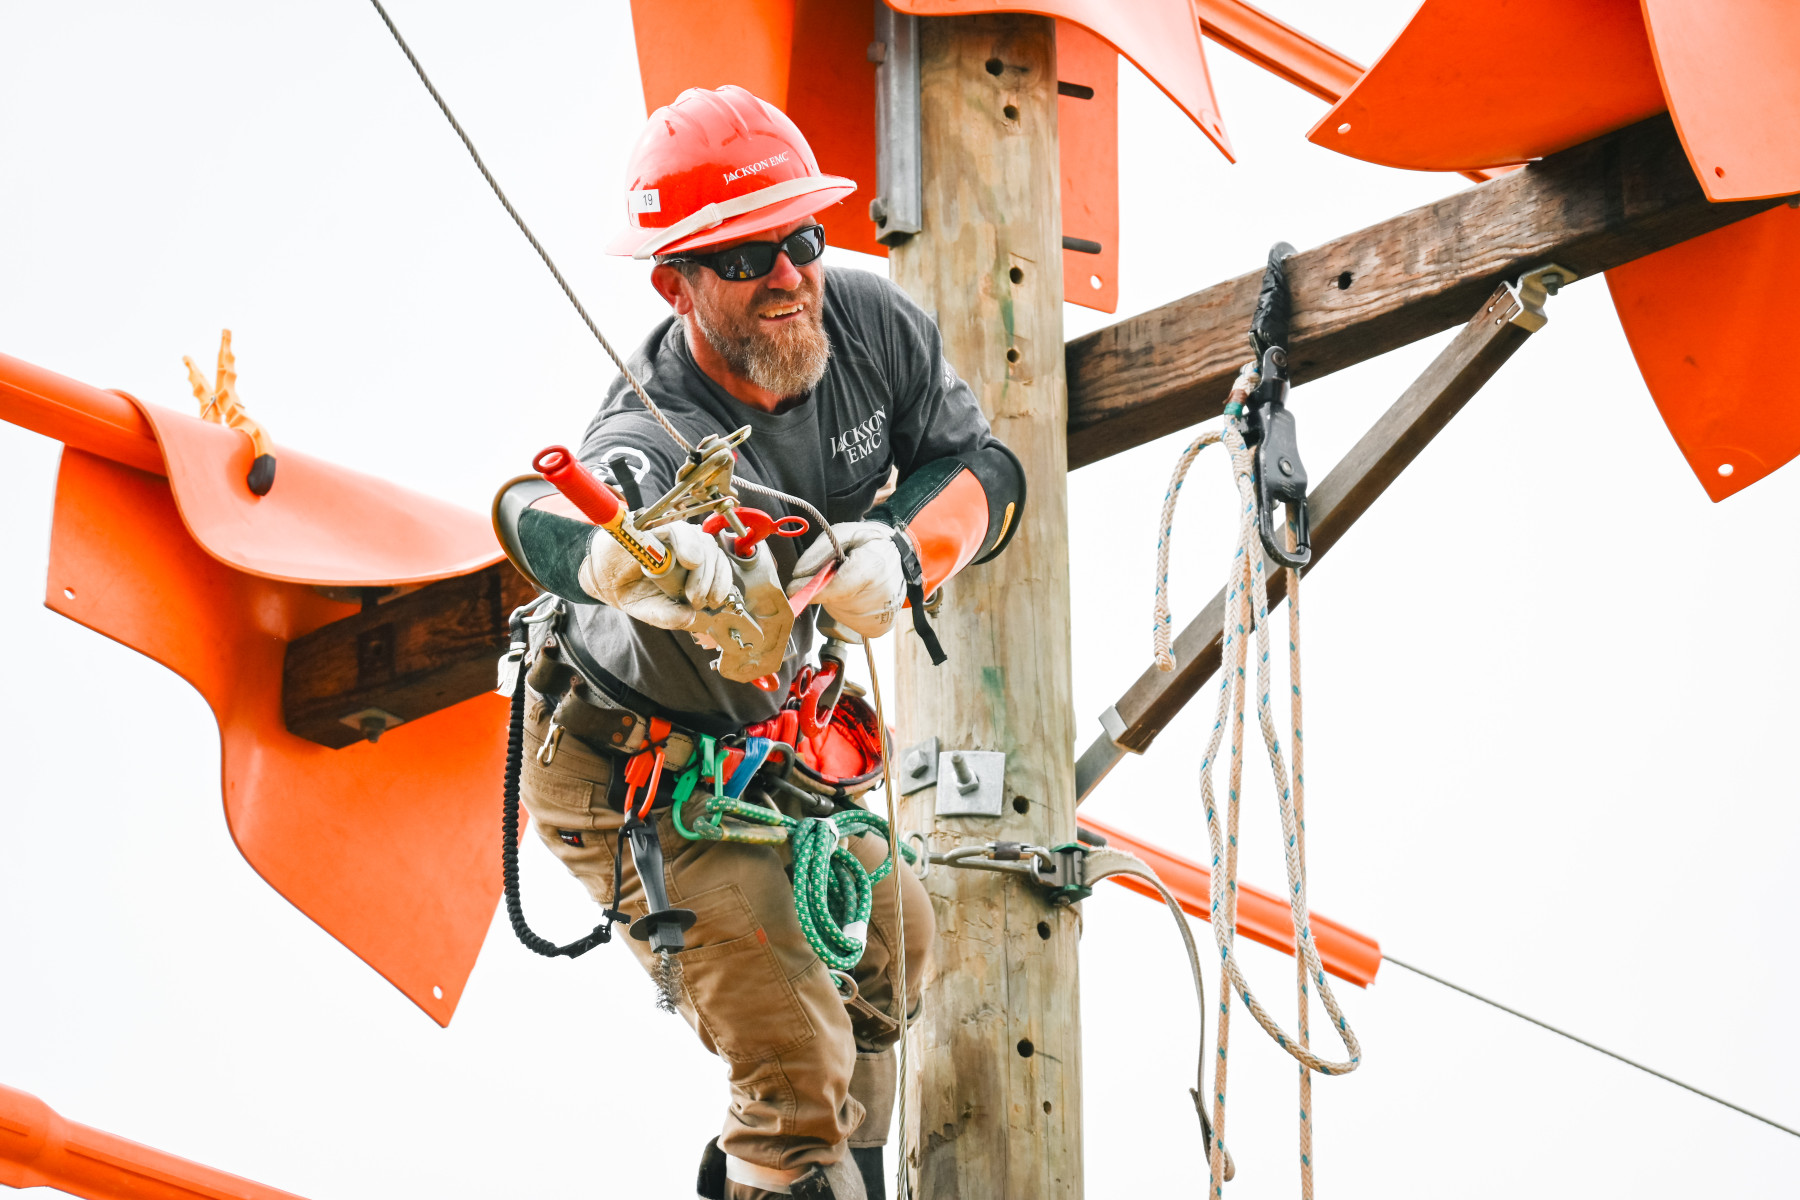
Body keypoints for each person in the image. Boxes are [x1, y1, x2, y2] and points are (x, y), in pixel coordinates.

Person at [493, 85, 1025, 1200]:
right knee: (793, 1063)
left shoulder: (870, 330)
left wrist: (904, 552)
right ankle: (789, 1164)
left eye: (801, 238)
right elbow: (533, 514)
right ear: (676, 282)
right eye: (744, 258)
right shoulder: (651, 427)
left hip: (769, 746)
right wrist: (618, 561)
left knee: (892, 948)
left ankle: (836, 1177)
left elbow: (984, 470)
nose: (787, 275)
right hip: (630, 772)